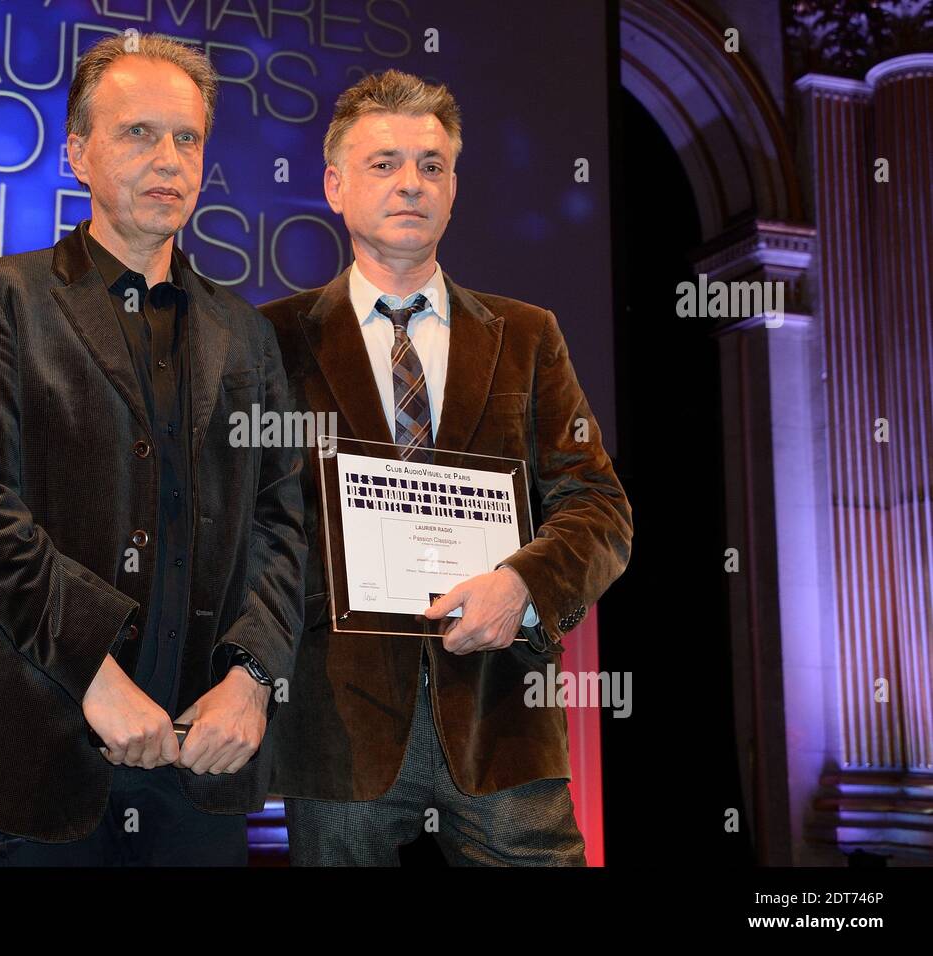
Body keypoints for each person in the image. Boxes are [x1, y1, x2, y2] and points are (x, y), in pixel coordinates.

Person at [0, 34, 306, 866]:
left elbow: (285, 527)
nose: (167, 158)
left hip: (203, 768)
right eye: (137, 133)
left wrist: (251, 680)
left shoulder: (249, 337)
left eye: (187, 138)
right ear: (77, 154)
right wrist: (96, 674)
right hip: (35, 755)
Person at [259, 69, 633, 866]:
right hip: (337, 725)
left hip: (502, 718)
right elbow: (256, 527)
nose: (410, 184)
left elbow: (600, 508)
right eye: (384, 162)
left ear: (455, 187)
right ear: (334, 184)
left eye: (431, 165)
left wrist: (524, 585)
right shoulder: (273, 340)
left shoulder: (528, 336)